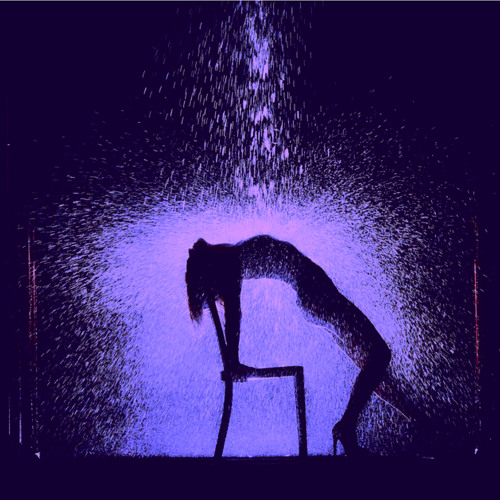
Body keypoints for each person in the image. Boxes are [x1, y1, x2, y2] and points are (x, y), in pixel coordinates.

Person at [185, 234, 405, 456]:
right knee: (379, 354)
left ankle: (412, 416)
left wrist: (233, 359)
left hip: (315, 295)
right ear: (212, 261)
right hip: (317, 294)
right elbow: (234, 314)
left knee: (372, 361)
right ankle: (348, 426)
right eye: (210, 250)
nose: (215, 246)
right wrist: (233, 361)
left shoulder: (235, 255)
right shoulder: (232, 262)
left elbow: (233, 313)